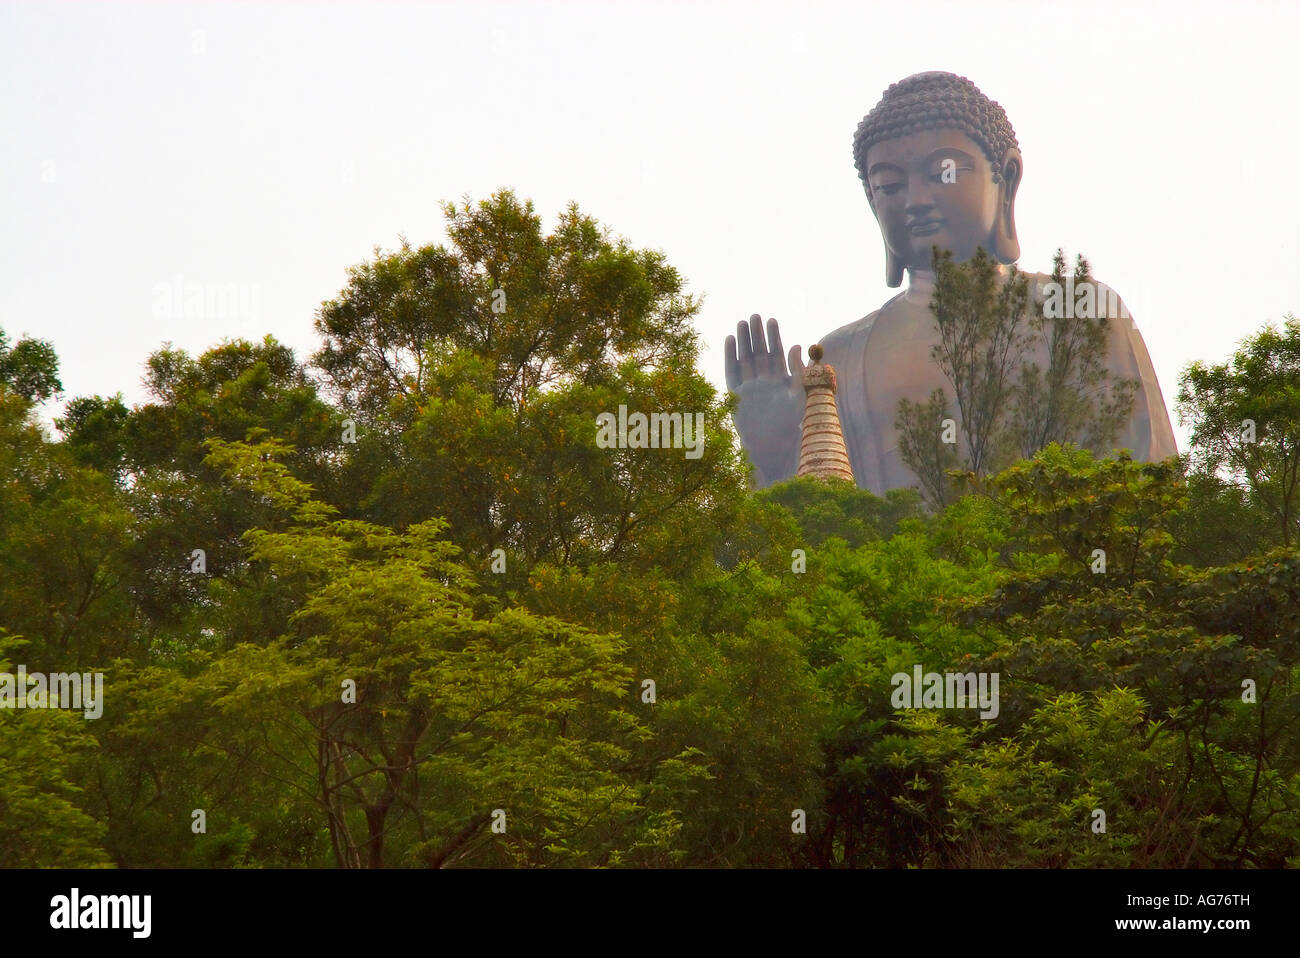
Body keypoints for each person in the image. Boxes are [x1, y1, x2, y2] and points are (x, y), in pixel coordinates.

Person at [724, 71, 1177, 492]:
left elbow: (1142, 498)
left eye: (945, 171)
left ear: (1007, 179)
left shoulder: (1081, 313)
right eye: (889, 185)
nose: (917, 200)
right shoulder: (837, 360)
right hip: (895, 578)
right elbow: (818, 532)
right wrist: (775, 455)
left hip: (1050, 575)